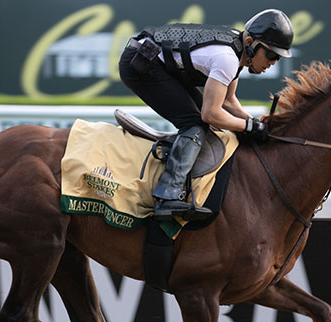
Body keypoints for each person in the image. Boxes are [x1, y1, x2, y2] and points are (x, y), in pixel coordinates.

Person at [119, 9, 293, 221]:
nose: (273, 62)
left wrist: (253, 123)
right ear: (250, 41)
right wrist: (249, 128)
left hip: (154, 60)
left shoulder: (237, 52)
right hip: (140, 63)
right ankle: (167, 195)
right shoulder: (227, 59)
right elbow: (211, 114)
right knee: (194, 124)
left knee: (206, 121)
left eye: (278, 58)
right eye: (271, 54)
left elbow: (228, 102)